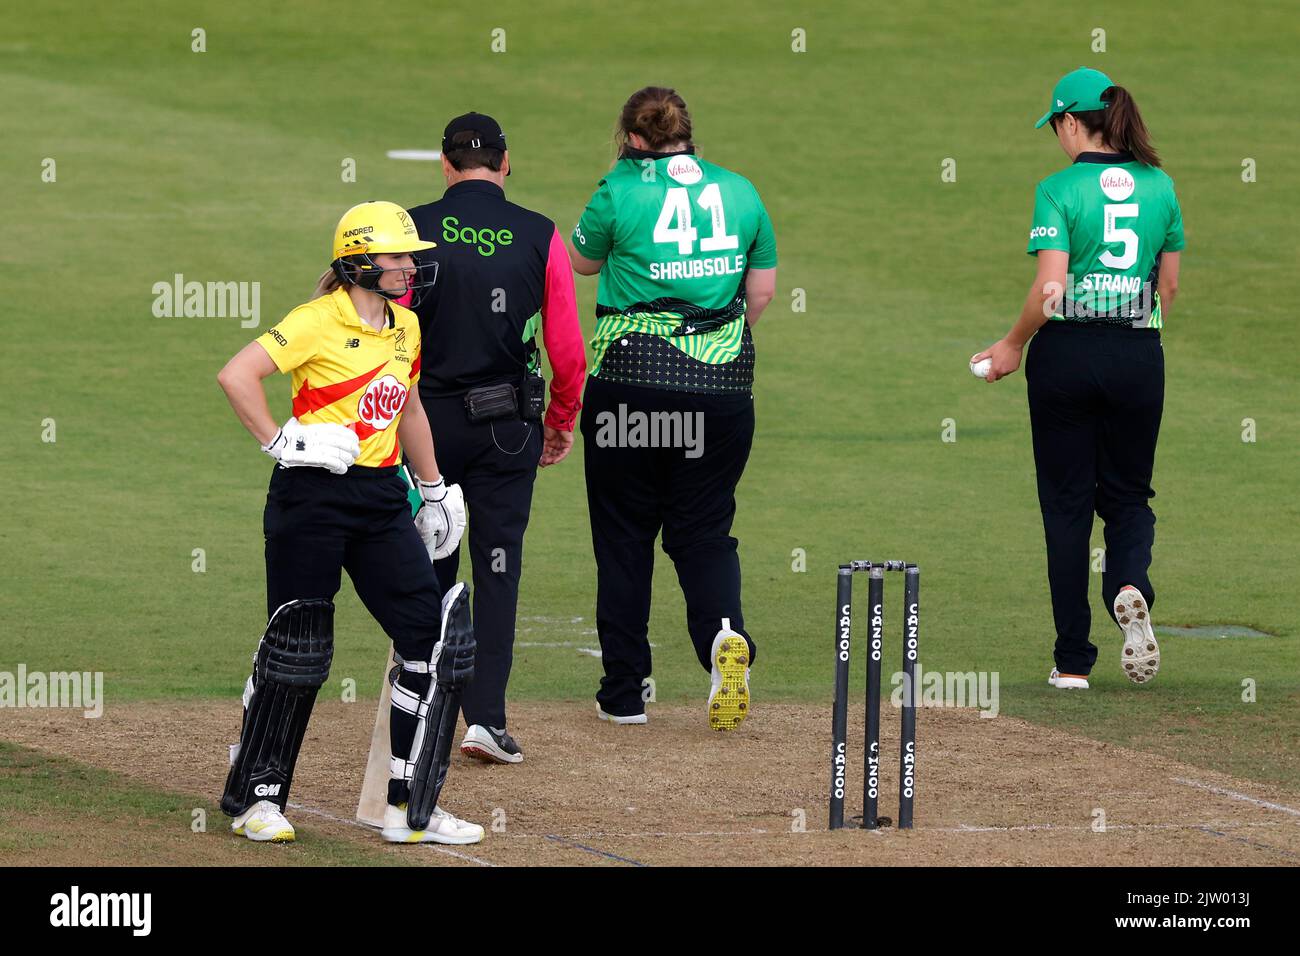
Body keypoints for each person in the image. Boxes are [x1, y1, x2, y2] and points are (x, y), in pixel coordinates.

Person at [215, 200, 483, 844]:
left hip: (380, 500)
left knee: (433, 638)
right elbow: (236, 375)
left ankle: (408, 808)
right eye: (396, 257)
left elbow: (411, 408)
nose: (409, 267)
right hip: (310, 498)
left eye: (411, 257)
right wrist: (283, 442)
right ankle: (259, 799)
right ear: (359, 262)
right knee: (299, 645)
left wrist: (435, 486)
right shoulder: (315, 321)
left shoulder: (408, 327)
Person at [569, 87, 777, 730]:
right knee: (704, 533)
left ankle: (624, 693)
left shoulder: (618, 189)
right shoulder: (740, 190)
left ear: (632, 138)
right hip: (719, 396)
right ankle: (722, 640)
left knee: (624, 537)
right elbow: (760, 292)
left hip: (629, 389)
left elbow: (581, 261)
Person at [972, 68, 1183, 691]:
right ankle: (1128, 585)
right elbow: (1167, 288)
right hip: (1139, 354)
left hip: (1065, 355)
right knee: (1128, 495)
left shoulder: (1058, 189)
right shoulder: (1160, 186)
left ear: (1069, 121)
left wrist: (1012, 345)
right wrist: (1131, 340)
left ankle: (1072, 663)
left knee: (1066, 507)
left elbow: (1051, 288)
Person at [407, 113, 586, 765]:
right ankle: (486, 720)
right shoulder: (540, 234)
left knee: (431, 560)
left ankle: (422, 708)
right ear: (506, 163)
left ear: (446, 164)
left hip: (421, 423)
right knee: (498, 564)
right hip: (507, 427)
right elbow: (567, 349)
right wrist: (561, 421)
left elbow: (379, 332)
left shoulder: (412, 228)